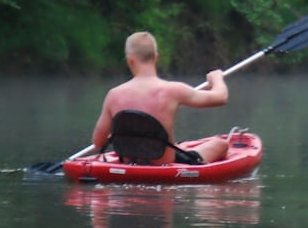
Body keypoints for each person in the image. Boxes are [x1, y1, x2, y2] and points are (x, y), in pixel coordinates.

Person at [91, 31, 230, 165]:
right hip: (165, 164)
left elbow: (98, 142)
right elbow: (220, 97)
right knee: (221, 144)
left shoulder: (114, 95)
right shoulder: (174, 90)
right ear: (156, 57)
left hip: (128, 162)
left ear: (130, 60)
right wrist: (216, 78)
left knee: (181, 146)